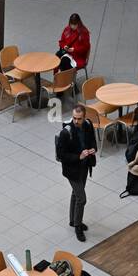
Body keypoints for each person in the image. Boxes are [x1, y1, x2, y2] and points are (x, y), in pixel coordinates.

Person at [56, 104, 98, 242]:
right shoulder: (65, 133)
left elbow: (92, 140)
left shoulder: (87, 124)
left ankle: (72, 220)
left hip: (84, 167)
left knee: (76, 193)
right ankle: (78, 226)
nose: (76, 121)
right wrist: (78, 156)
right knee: (82, 198)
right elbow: (61, 155)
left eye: (79, 119)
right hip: (72, 169)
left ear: (84, 117)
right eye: (74, 118)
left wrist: (93, 149)